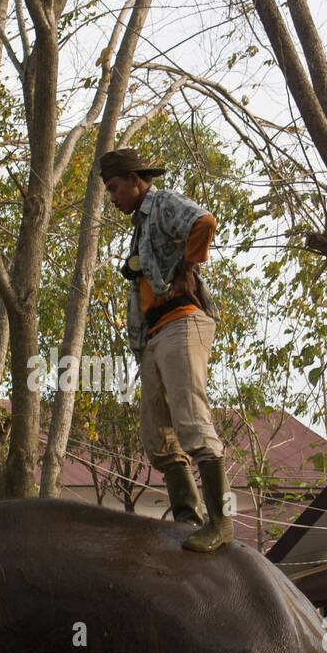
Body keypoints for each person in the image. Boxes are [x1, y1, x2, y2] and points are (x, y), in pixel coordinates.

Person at [98, 147, 232, 553]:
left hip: (182, 321)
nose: (112, 196)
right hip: (154, 335)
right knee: (157, 435)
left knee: (191, 420)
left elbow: (204, 221)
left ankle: (221, 522)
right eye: (107, 190)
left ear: (137, 180)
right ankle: (187, 518)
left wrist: (184, 269)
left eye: (116, 187)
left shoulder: (161, 203)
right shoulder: (139, 225)